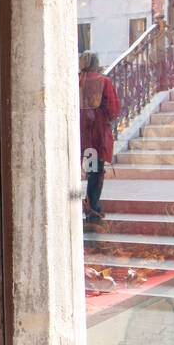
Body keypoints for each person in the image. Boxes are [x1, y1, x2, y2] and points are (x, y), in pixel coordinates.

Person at [79, 50, 120, 224]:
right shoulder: (104, 81)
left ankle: (85, 206)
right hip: (97, 134)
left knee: (84, 170)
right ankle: (93, 208)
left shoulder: (75, 80)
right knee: (95, 172)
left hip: (79, 132)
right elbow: (113, 109)